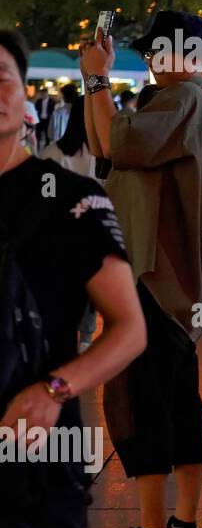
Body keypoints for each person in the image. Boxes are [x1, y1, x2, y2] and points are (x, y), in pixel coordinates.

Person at [0, 29, 147, 528]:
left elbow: (128, 327)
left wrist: (54, 389)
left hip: (36, 454)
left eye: (2, 80)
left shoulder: (68, 198)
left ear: (24, 101)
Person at [80, 10, 202, 528]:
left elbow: (115, 140)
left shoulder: (184, 97)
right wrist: (96, 83)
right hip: (151, 274)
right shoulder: (173, 99)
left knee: (152, 399)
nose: (151, 59)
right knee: (156, 396)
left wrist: (96, 80)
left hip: (158, 278)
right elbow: (103, 142)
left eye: (159, 49)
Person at [39, 95, 100, 351]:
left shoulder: (53, 152)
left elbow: (42, 197)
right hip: (95, 232)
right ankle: (85, 340)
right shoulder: (105, 155)